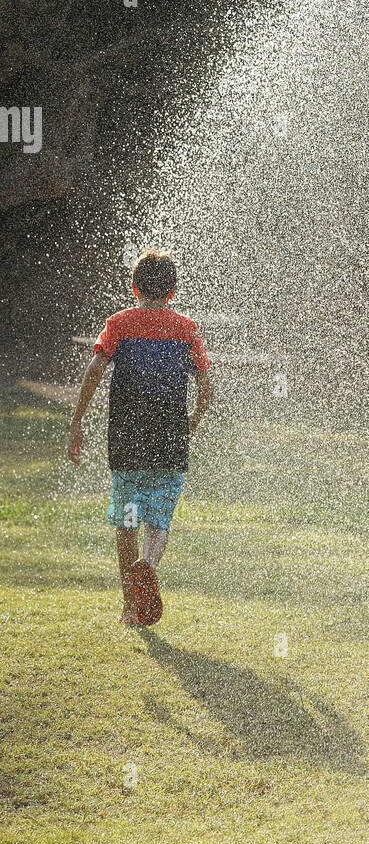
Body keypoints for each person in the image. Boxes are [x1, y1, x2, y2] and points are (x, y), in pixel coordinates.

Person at [66, 248, 213, 625]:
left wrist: (78, 420)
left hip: (127, 439)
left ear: (134, 289)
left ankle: (131, 606)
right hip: (169, 437)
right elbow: (205, 386)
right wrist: (192, 420)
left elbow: (96, 369)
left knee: (127, 519)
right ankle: (148, 563)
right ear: (173, 291)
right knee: (158, 517)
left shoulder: (119, 323)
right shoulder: (186, 328)